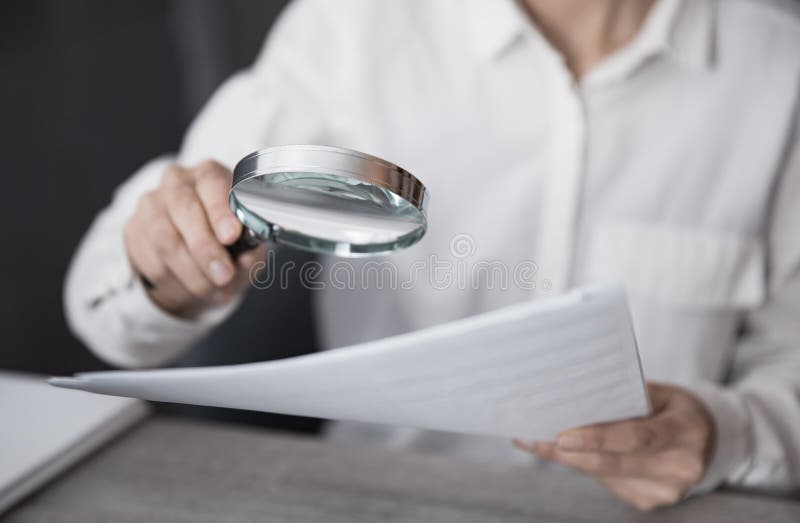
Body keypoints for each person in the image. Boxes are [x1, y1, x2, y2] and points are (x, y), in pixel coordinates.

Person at [64, 0, 800, 510]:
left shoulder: (779, 71)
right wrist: (172, 261)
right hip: (376, 501)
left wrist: (725, 434)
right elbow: (106, 308)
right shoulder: (357, 26)